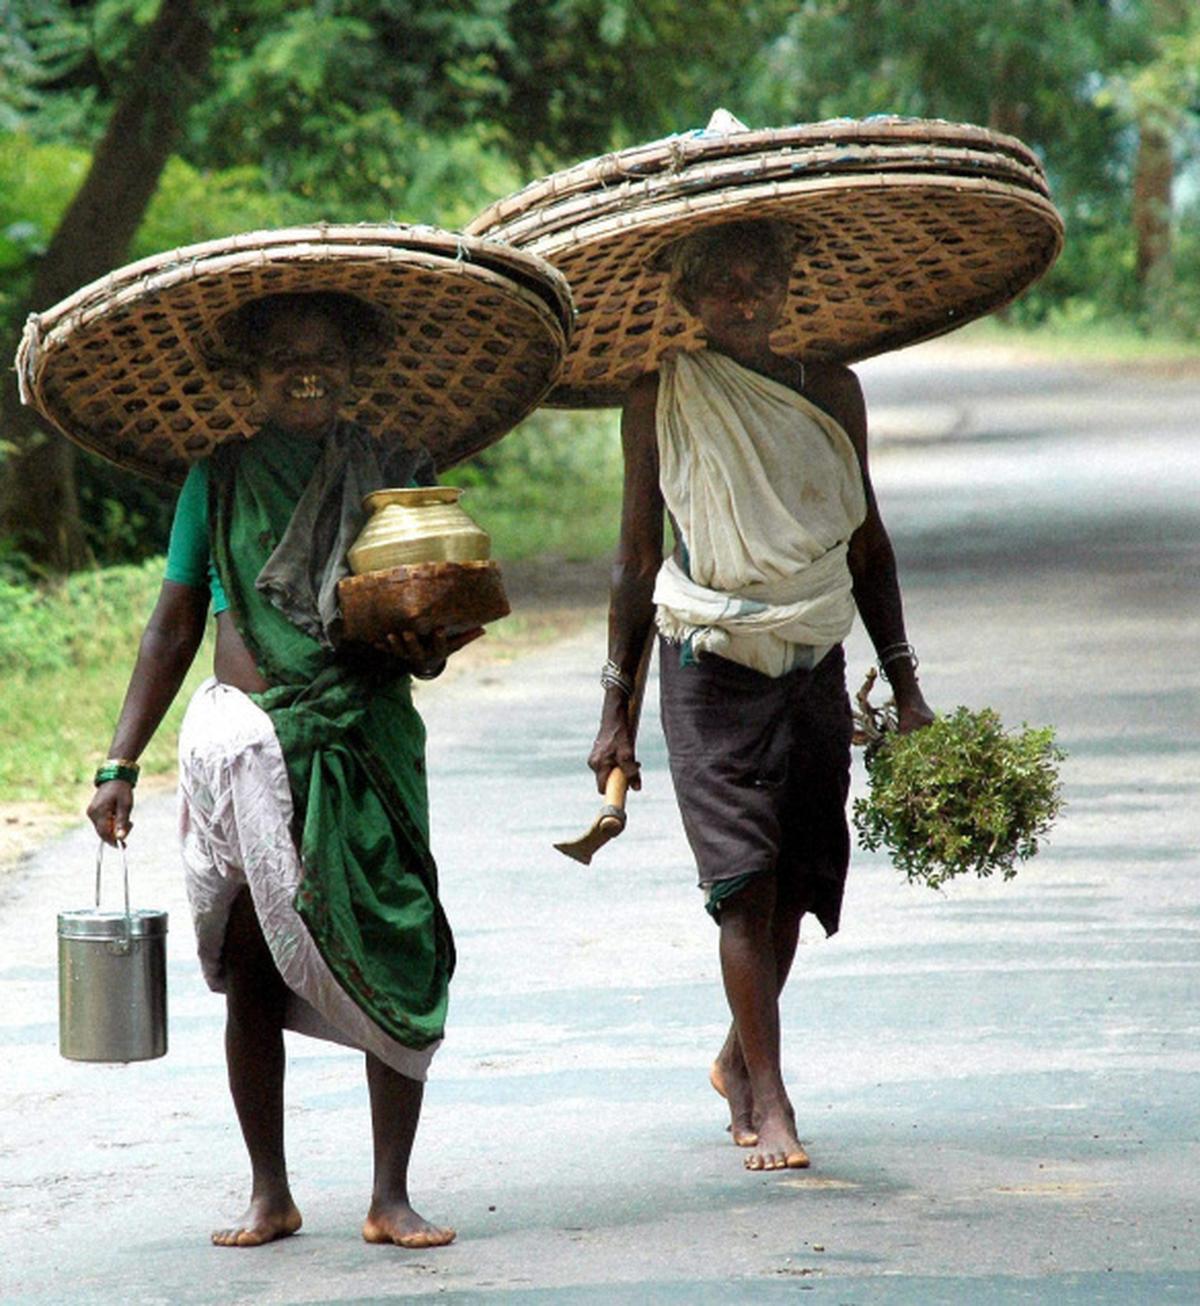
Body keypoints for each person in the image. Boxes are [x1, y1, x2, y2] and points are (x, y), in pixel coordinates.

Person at [88, 290, 477, 1248]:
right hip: (251, 751)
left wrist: (431, 643)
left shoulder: (395, 471)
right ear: (246, 379)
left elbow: (434, 611)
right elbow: (176, 623)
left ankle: (391, 1195)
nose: (307, 370)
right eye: (283, 357)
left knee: (396, 937)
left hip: (369, 737)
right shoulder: (215, 481)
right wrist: (119, 761)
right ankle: (270, 1191)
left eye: (327, 354)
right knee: (255, 970)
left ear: (357, 368)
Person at [588, 219, 933, 1172]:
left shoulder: (832, 390)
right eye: (722, 286)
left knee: (799, 874)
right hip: (705, 661)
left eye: (759, 282)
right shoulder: (659, 397)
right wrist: (615, 712)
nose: (742, 300)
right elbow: (636, 555)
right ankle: (772, 1098)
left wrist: (906, 686)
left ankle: (741, 1057)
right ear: (688, 301)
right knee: (742, 883)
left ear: (789, 287)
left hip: (812, 653)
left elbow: (866, 544)